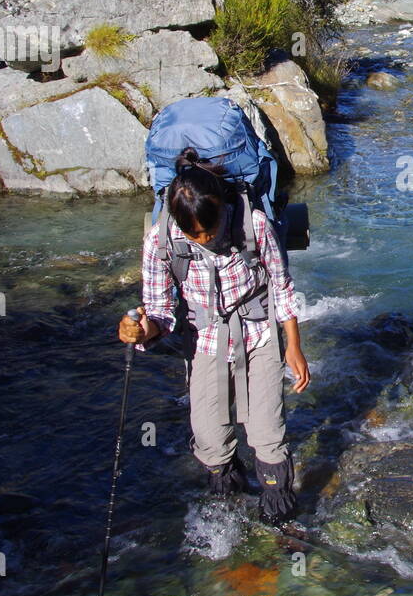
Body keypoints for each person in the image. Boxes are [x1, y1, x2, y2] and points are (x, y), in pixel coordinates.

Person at [117, 148, 310, 523]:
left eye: (209, 229)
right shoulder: (161, 241)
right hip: (205, 337)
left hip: (259, 333)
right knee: (210, 441)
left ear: (222, 206)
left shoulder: (253, 224)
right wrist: (141, 329)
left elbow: (282, 288)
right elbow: (159, 310)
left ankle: (280, 520)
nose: (203, 239)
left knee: (268, 434)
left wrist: (295, 347)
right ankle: (228, 514)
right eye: (194, 233)